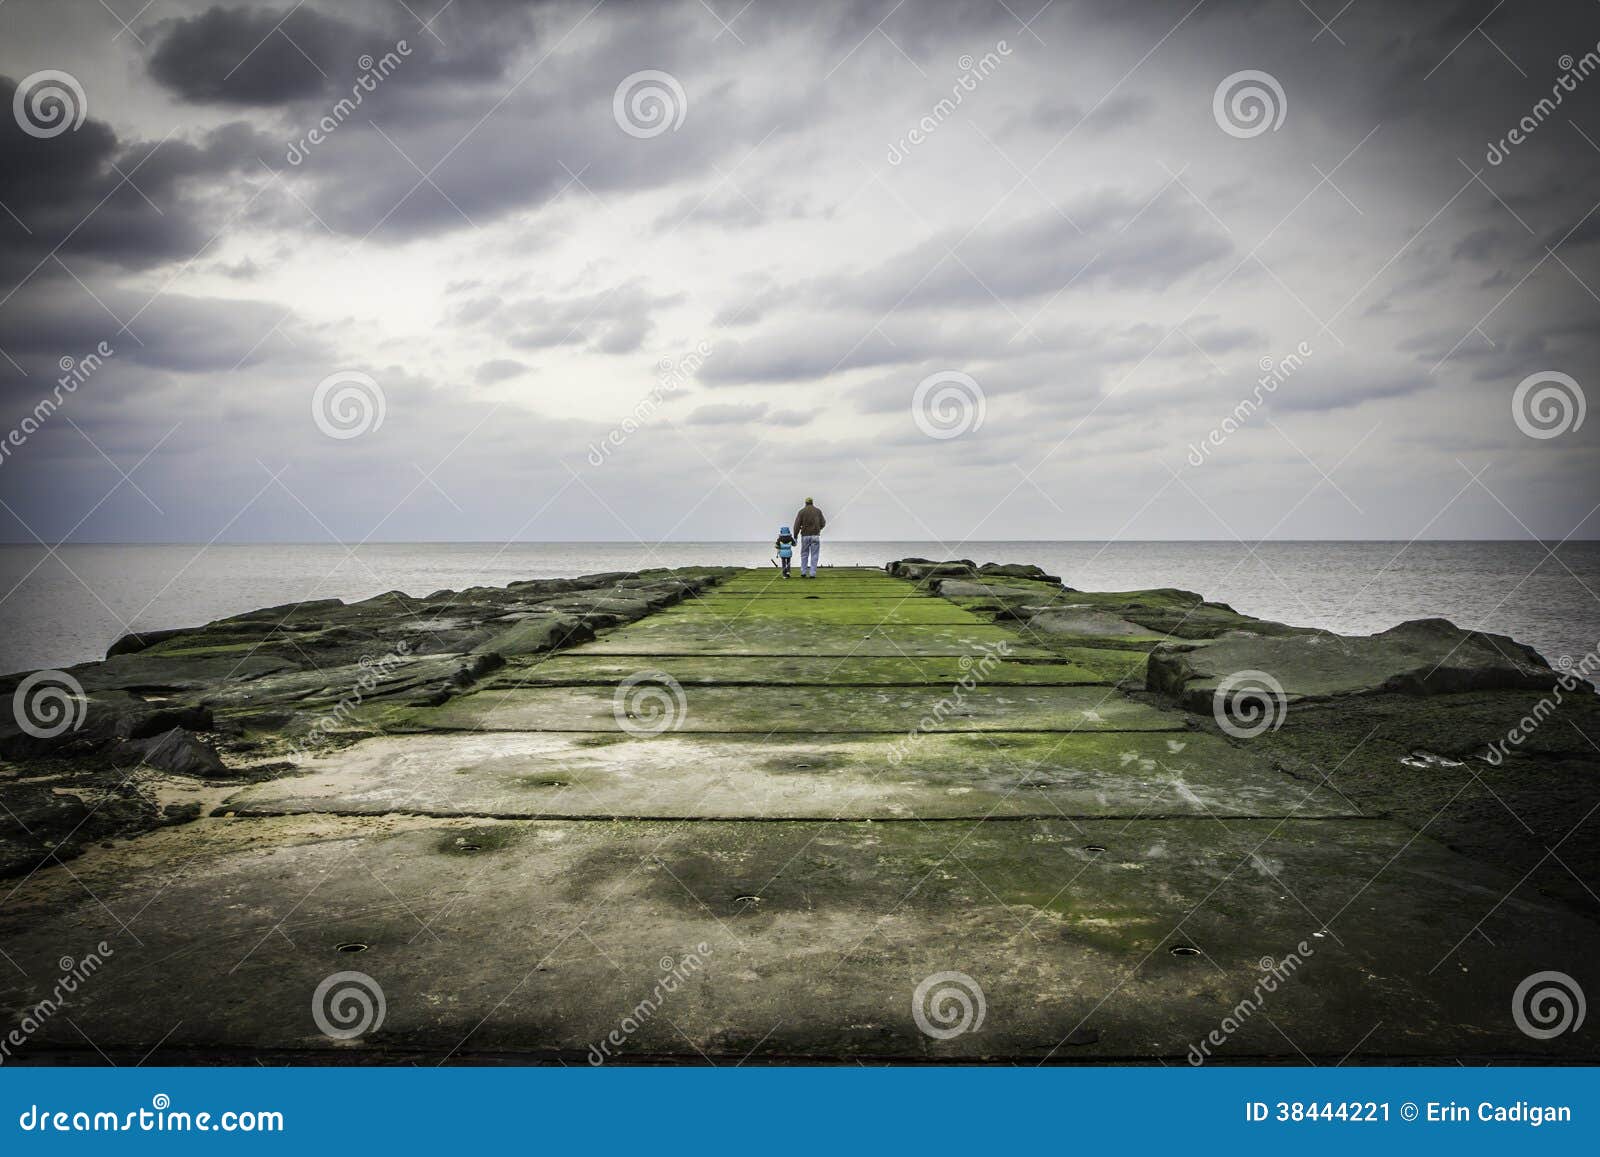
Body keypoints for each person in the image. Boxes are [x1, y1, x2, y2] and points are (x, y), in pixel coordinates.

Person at [792, 497, 825, 578]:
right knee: (815, 555)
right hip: (815, 536)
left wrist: (795, 537)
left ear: (805, 503)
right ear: (812, 502)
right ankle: (812, 573)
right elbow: (823, 523)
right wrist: (818, 529)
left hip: (805, 536)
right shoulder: (818, 511)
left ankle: (803, 572)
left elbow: (796, 525)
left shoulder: (801, 512)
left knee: (804, 554)